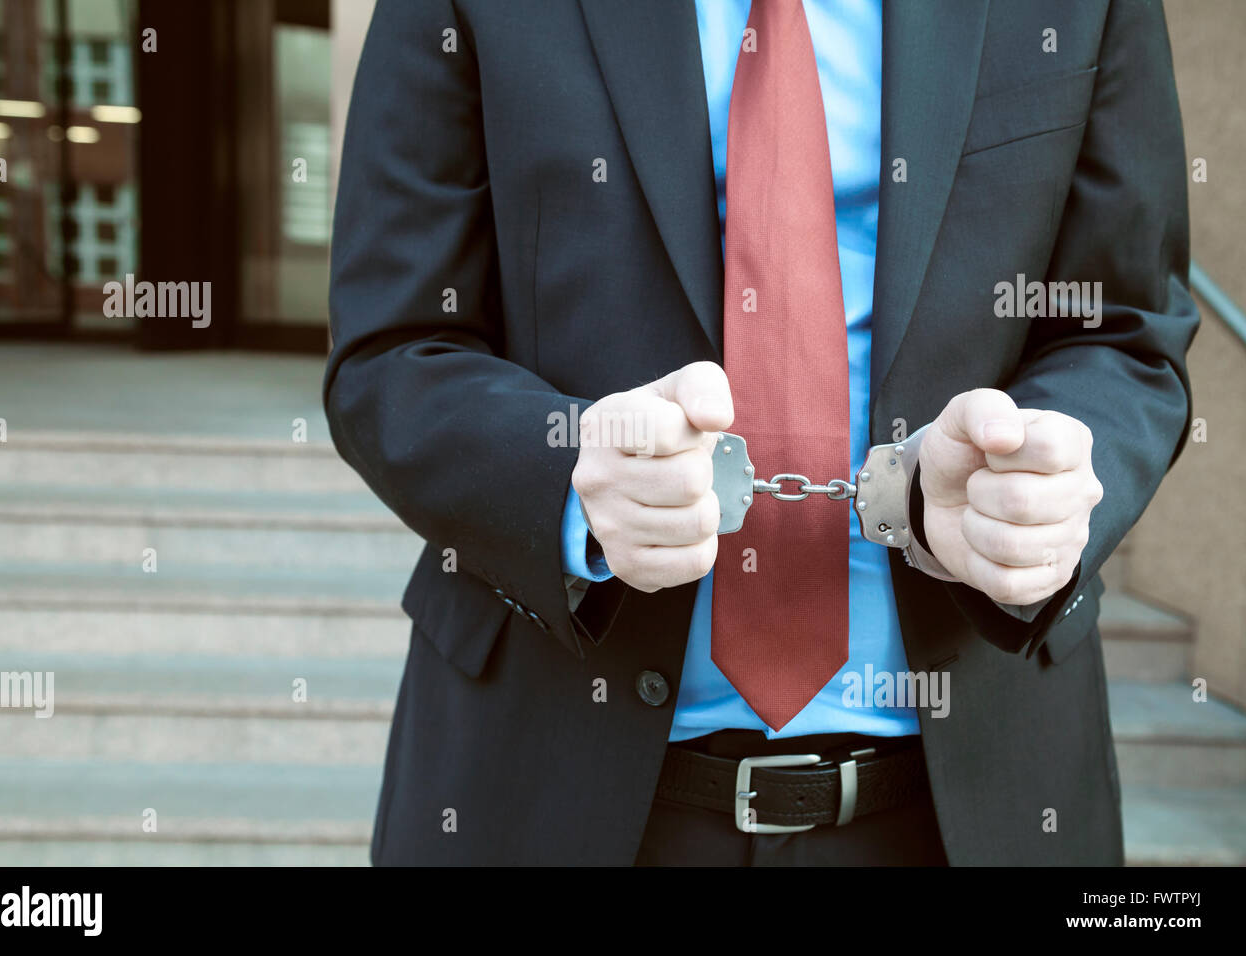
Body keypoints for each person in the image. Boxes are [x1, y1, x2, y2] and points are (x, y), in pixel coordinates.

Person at [324, 0, 1197, 865]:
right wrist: (566, 472)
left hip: (973, 804)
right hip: (549, 785)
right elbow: (393, 346)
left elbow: (1123, 332)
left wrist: (1036, 482)